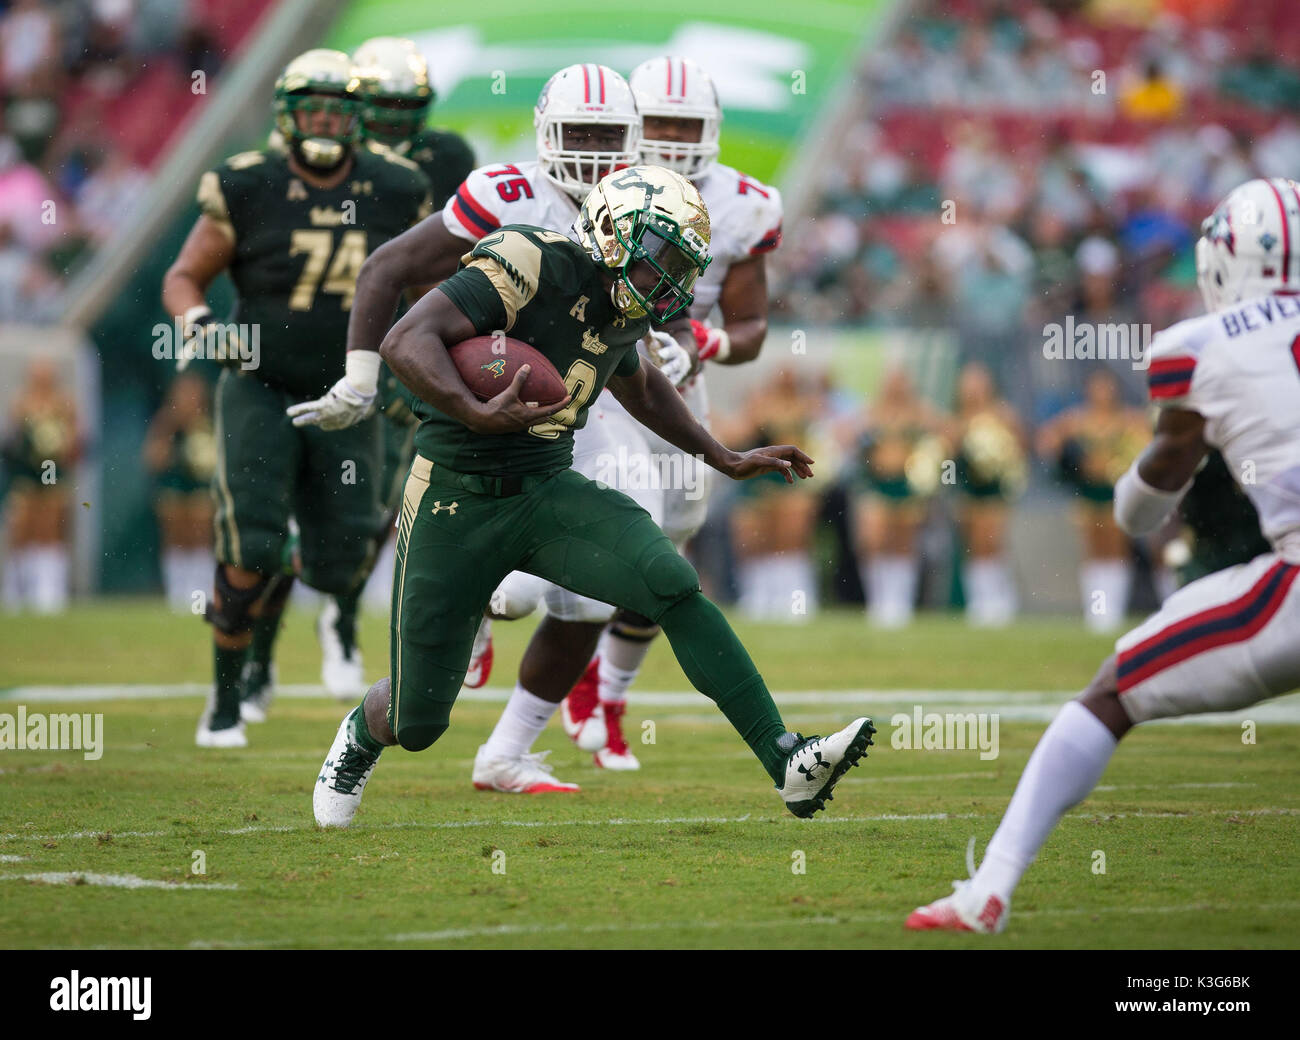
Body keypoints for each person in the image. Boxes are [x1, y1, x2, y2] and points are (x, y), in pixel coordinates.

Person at [312, 165, 876, 827]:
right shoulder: (530, 258)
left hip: (547, 486)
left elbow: (642, 385)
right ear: (612, 234)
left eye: (684, 266)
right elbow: (405, 339)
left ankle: (787, 759)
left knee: (670, 582)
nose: (673, 280)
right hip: (454, 497)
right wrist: (473, 408)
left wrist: (724, 457)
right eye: (663, 257)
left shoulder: (625, 306)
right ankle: (360, 735)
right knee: (418, 718)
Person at [906, 177, 1300, 933]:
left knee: (1112, 693)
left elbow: (1153, 491)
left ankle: (989, 888)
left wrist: (1135, 503)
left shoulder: (1201, 346)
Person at [161, 48, 432, 747]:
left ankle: (300, 611)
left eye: (337, 111)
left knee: (343, 558)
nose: (324, 122)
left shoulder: (396, 185)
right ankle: (226, 700)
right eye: (312, 110)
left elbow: (432, 287)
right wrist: (200, 324)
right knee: (249, 545)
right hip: (262, 383)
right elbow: (184, 277)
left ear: (356, 117)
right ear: (287, 116)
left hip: (351, 389)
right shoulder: (249, 182)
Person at [302, 36, 476, 700]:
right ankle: (316, 622)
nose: (397, 121)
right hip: (338, 338)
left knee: (412, 493)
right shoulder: (328, 163)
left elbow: (458, 250)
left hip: (420, 337)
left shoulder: (447, 157)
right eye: (386, 107)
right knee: (342, 503)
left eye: (409, 107)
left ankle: (399, 620)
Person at [1036, 369, 1148, 632]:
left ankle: (1114, 610)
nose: (1101, 393)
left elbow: (1146, 444)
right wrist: (1073, 460)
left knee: (1116, 549)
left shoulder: (1128, 419)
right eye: (1097, 388)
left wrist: (1118, 462)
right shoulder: (1078, 418)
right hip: (1088, 493)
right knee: (1093, 549)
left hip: (1115, 493)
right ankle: (1097, 612)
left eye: (1106, 387)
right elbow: (1047, 439)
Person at [851, 364, 948, 628]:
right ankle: (878, 600)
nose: (895, 388)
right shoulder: (872, 411)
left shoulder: (920, 411)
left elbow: (945, 434)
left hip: (907, 485)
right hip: (877, 483)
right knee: (873, 539)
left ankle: (900, 603)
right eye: (891, 383)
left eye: (900, 382)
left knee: (903, 542)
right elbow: (847, 435)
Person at [951, 361, 1026, 626]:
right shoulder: (957, 418)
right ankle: (979, 602)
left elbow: (1019, 448)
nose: (973, 390)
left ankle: (1002, 601)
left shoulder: (1003, 414)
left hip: (995, 489)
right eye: (968, 385)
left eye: (978, 384)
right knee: (973, 544)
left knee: (991, 540)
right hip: (967, 488)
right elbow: (947, 451)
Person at [1, 358, 78, 613]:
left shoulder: (64, 403)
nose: (42, 380)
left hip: (52, 472)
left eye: (46, 375)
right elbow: (12, 441)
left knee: (51, 526)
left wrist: (60, 444)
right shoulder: (21, 402)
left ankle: (49, 590)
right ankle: (17, 589)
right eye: (38, 375)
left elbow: (75, 441)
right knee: (22, 528)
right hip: (27, 473)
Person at [142, 373, 215, 612]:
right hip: (174, 487)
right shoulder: (167, 423)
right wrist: (168, 428)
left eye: (193, 395)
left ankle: (200, 592)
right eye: (183, 395)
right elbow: (153, 460)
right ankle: (177, 593)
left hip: (201, 488)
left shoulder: (210, 421)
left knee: (201, 533)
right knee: (175, 536)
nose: (188, 400)